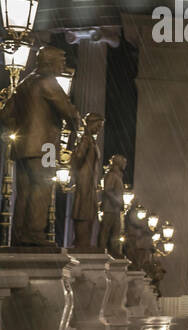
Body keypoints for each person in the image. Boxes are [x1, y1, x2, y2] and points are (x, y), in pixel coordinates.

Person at [0, 46, 80, 247]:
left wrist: (22, 128)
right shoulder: (48, 82)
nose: (62, 67)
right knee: (42, 186)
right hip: (45, 147)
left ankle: (19, 234)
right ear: (51, 62)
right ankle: (35, 233)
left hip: (22, 148)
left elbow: (4, 114)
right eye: (60, 62)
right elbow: (69, 112)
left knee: (25, 190)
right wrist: (74, 127)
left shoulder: (25, 84)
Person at [69, 113, 104, 250]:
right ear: (91, 123)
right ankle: (81, 242)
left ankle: (85, 241)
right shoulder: (85, 140)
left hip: (90, 181)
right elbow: (77, 158)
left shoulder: (91, 141)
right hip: (85, 180)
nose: (99, 129)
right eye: (98, 126)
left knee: (89, 211)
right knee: (83, 210)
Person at [97, 154, 128, 256]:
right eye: (123, 162)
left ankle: (114, 252)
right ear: (118, 163)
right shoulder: (111, 175)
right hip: (109, 208)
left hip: (115, 209)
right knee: (105, 230)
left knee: (116, 231)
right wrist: (118, 202)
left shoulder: (117, 176)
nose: (125, 164)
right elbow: (107, 190)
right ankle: (101, 250)